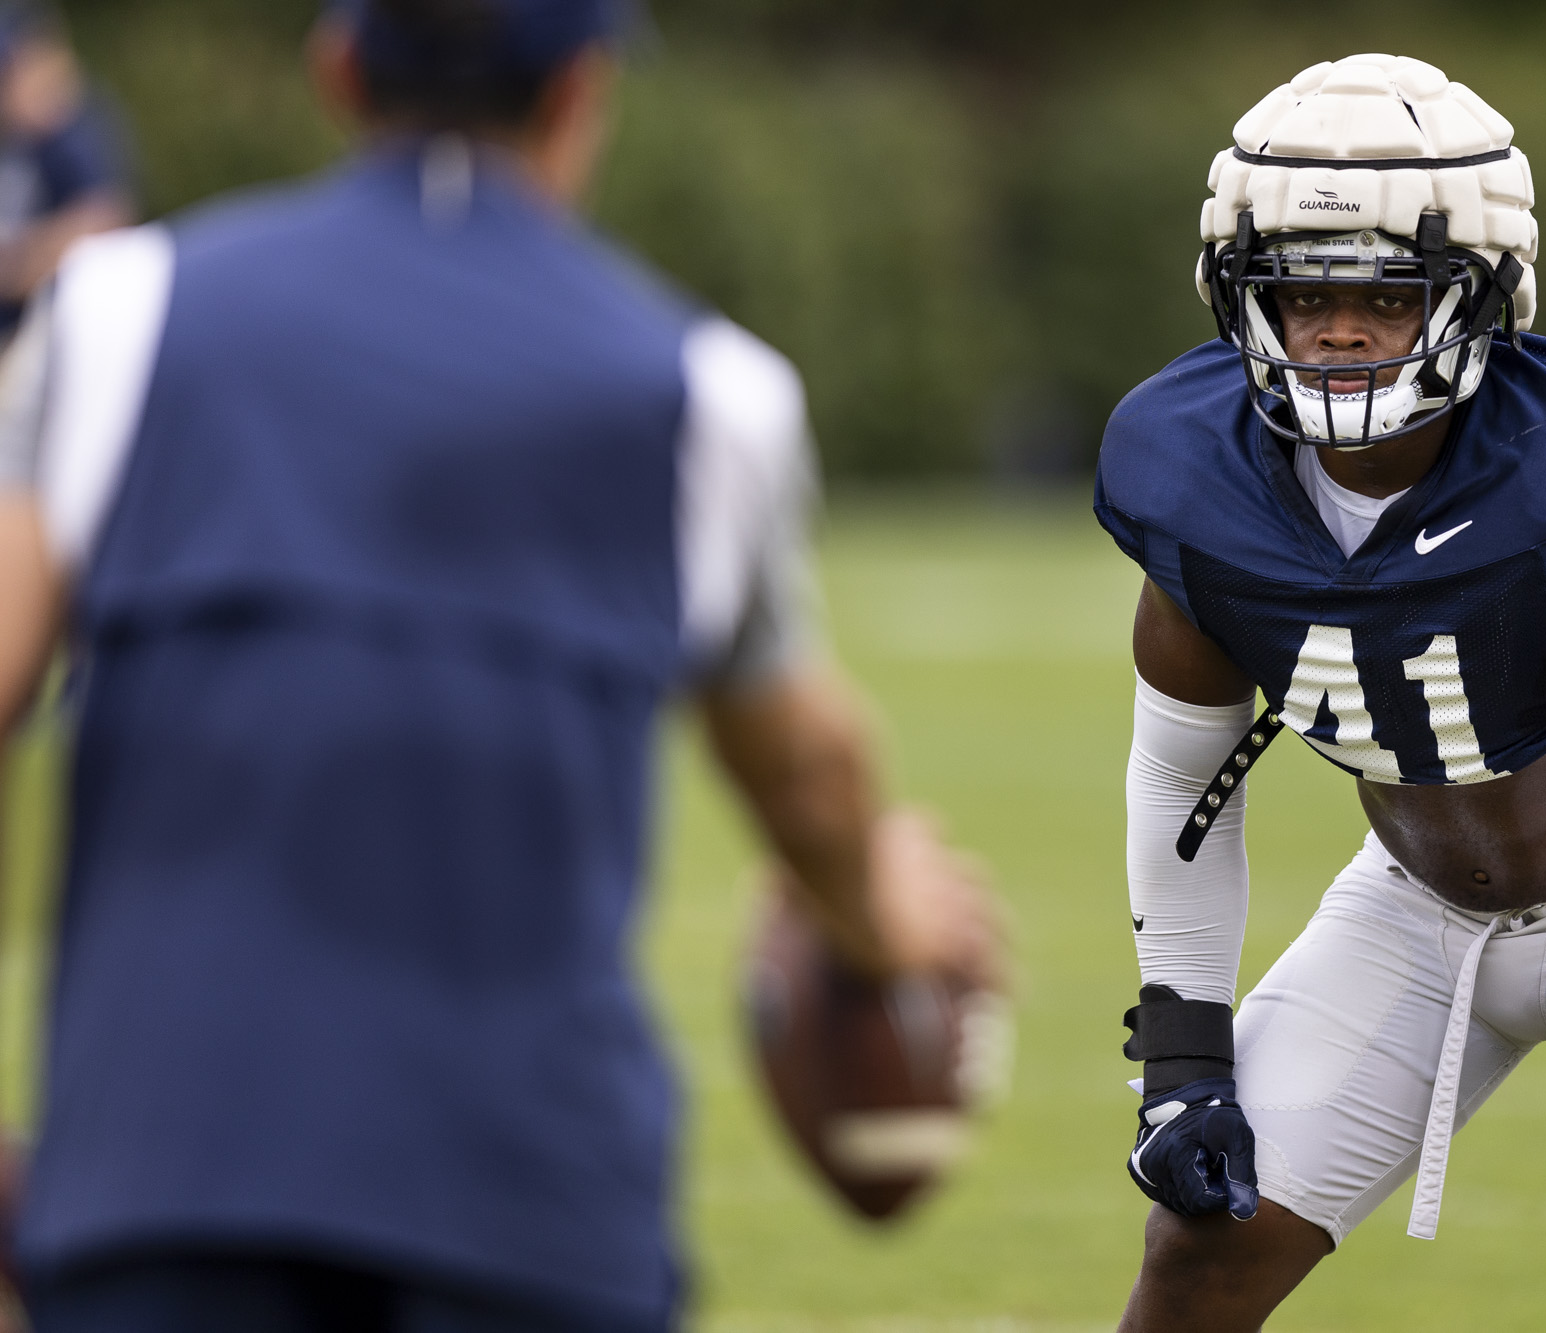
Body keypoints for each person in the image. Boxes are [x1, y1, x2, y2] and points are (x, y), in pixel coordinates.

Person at [0, 1, 1003, 1329]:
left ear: (339, 71)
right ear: (585, 93)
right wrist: (883, 926)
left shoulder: (123, 316)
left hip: (165, 1166)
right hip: (529, 1199)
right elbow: (807, 772)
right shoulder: (708, 394)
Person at [1095, 55, 1546, 1332]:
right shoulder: (1188, 476)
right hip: (1408, 906)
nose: (1340, 326)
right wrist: (1183, 1067)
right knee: (1196, 1250)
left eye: (1385, 288)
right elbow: (1177, 778)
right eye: (1299, 291)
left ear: (1479, 294)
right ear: (1237, 294)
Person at [0, 2, 131, 339]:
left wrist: (16, 264)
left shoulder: (72, 132)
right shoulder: (18, 134)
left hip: (51, 333)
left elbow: (105, 225)